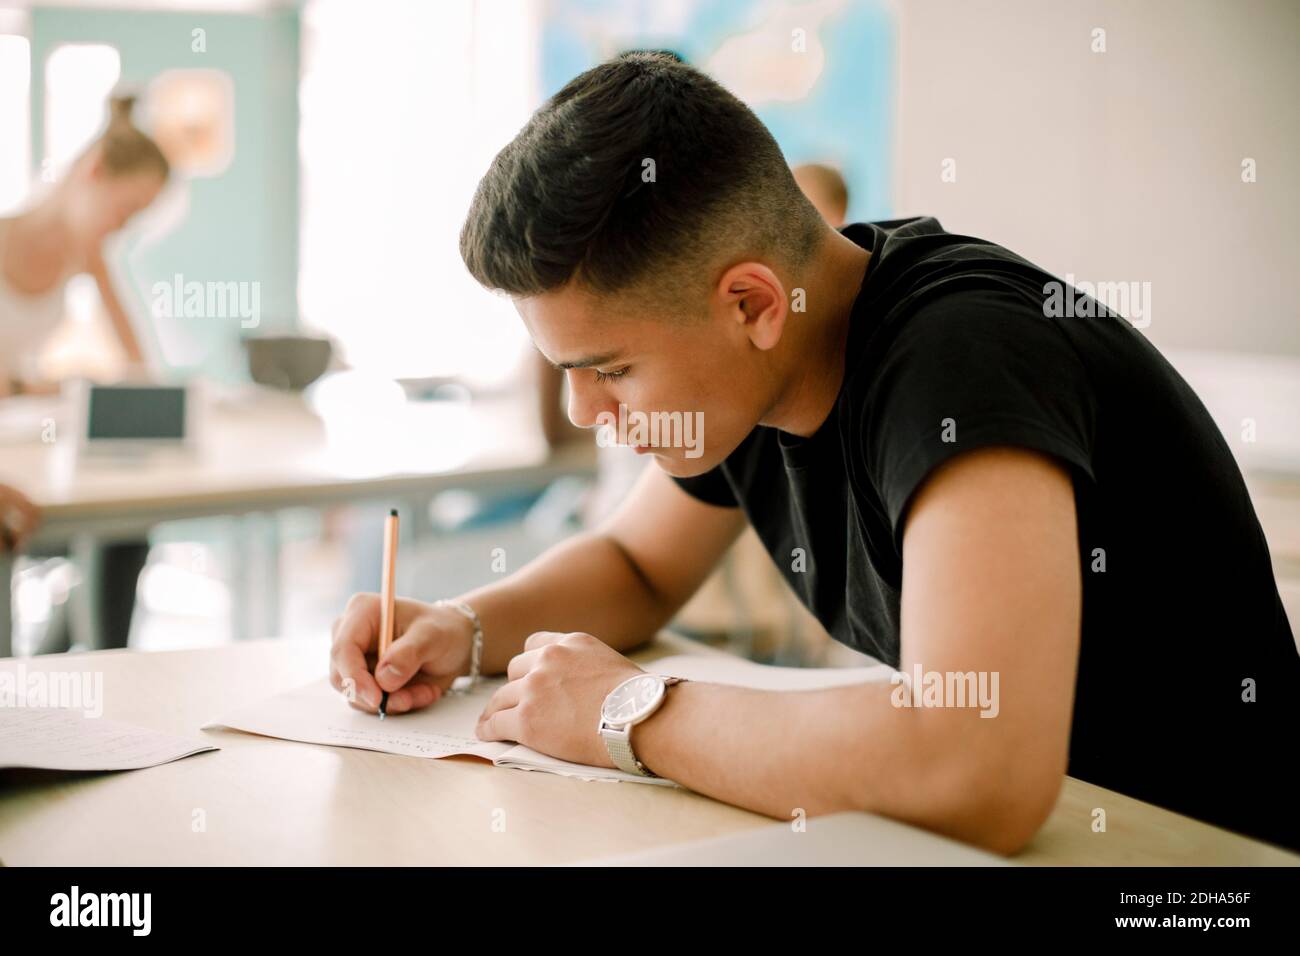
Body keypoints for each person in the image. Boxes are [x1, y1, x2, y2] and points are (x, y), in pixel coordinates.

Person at [330, 53, 1299, 854]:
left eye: (611, 368)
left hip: (1192, 860)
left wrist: (628, 710)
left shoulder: (960, 358)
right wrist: (461, 625)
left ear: (749, 302)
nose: (588, 412)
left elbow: (976, 763)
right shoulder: (760, 364)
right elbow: (634, 564)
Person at [0, 94, 169, 650]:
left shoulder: (84, 257)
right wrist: (34, 384)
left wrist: (101, 265)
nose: (123, 229)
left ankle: (77, 675)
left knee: (126, 533)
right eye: (124, 212)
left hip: (25, 459)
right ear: (91, 172)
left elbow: (142, 371)